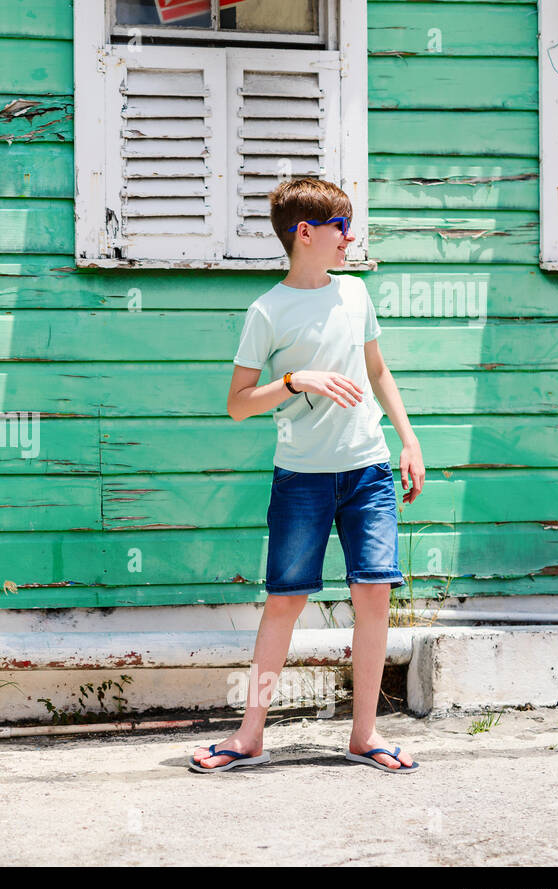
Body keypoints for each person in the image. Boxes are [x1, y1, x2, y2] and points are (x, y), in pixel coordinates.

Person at [191, 179, 426, 775]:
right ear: (306, 232)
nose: (351, 237)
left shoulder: (355, 295)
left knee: (373, 595)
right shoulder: (267, 311)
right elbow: (238, 403)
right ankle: (249, 735)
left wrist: (409, 438)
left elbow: (378, 371)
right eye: (341, 226)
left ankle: (365, 735)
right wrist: (297, 380)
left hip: (368, 470)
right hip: (302, 478)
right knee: (286, 602)